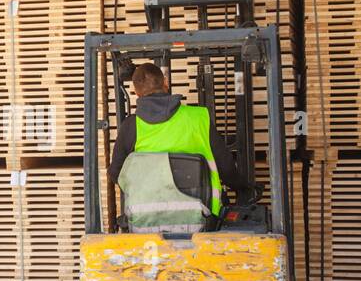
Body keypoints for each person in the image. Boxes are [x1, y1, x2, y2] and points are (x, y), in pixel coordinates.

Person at [109, 62, 255, 231]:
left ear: (135, 92)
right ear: (165, 82)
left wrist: (146, 188)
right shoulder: (199, 118)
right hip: (202, 219)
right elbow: (226, 166)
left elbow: (116, 173)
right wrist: (243, 188)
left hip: (145, 222)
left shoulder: (131, 126)